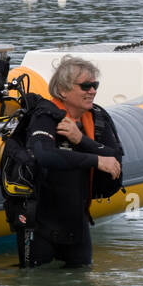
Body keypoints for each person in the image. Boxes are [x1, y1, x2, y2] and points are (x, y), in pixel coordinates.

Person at [20, 56, 124, 268]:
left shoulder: (97, 117)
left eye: (95, 85)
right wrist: (95, 159)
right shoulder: (45, 116)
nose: (92, 91)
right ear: (63, 90)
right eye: (85, 86)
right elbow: (44, 155)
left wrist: (81, 140)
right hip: (40, 223)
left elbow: (114, 157)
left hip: (77, 222)